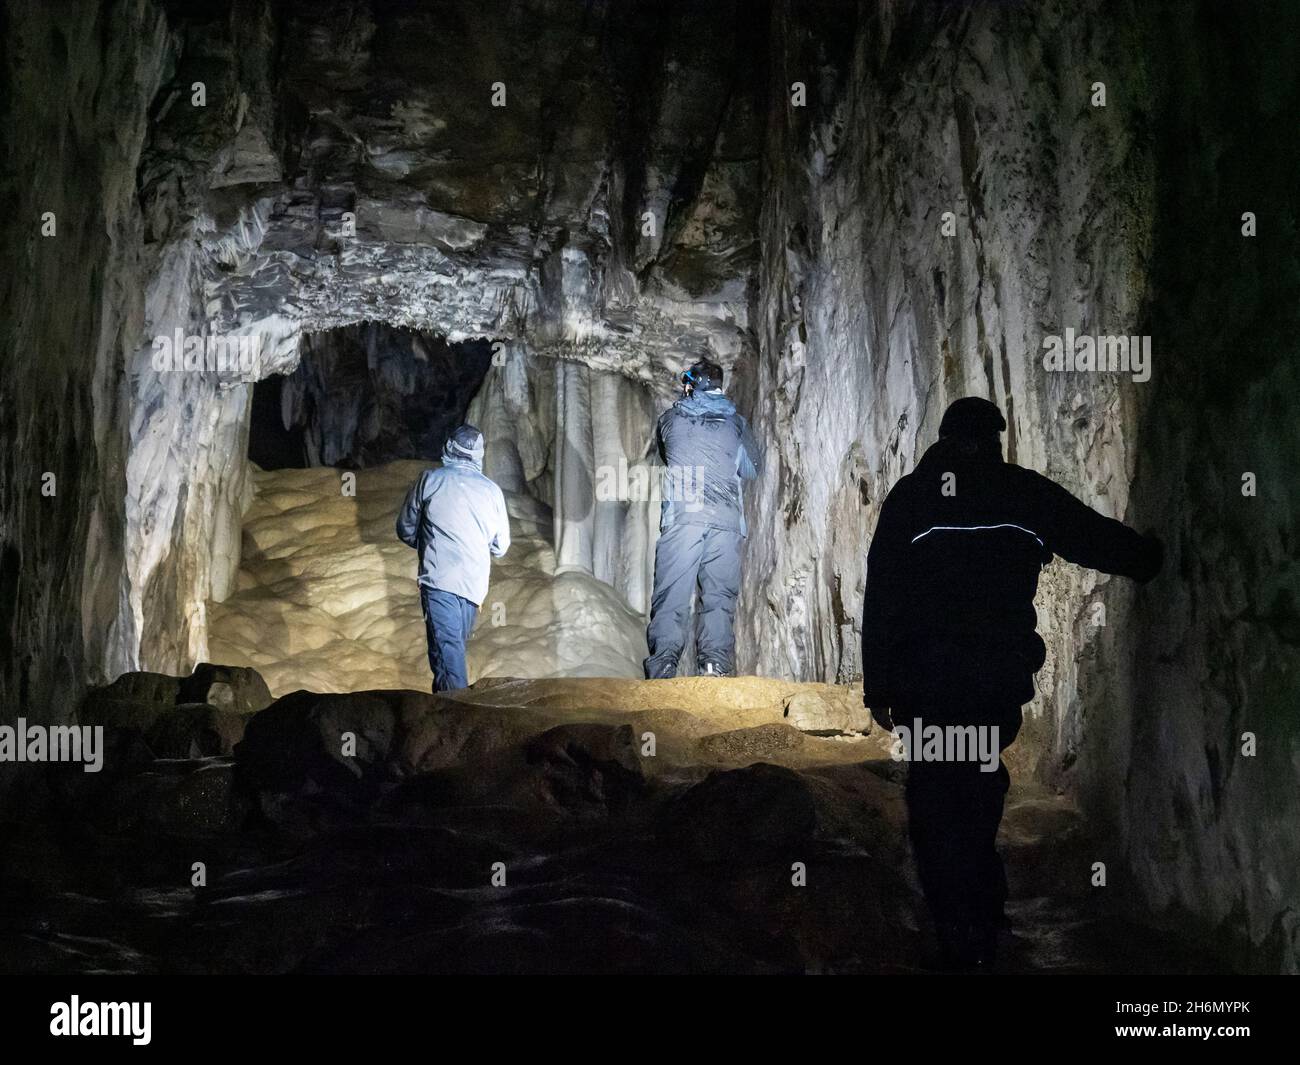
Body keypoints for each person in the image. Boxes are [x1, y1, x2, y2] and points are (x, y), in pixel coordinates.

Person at [861, 396, 1163, 969]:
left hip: (930, 687)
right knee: (974, 792)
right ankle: (978, 917)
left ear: (943, 439)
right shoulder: (1016, 492)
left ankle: (958, 924)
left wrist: (882, 685)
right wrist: (1144, 557)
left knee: (935, 796)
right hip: (988, 682)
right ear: (992, 439)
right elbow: (1084, 534)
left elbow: (883, 597)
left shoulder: (912, 498)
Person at [644, 357, 760, 679]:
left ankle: (664, 664)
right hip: (725, 523)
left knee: (673, 593)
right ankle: (715, 665)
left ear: (692, 384)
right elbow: (752, 467)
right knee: (719, 597)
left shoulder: (671, 419)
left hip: (685, 518)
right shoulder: (737, 423)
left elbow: (666, 453)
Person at [396, 424, 510, 692]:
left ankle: (461, 718)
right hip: (473, 589)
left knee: (448, 658)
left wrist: (428, 544)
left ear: (448, 447)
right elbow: (501, 546)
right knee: (446, 654)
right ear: (479, 455)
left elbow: (405, 528)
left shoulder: (431, 480)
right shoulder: (492, 491)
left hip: (439, 582)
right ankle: (443, 715)